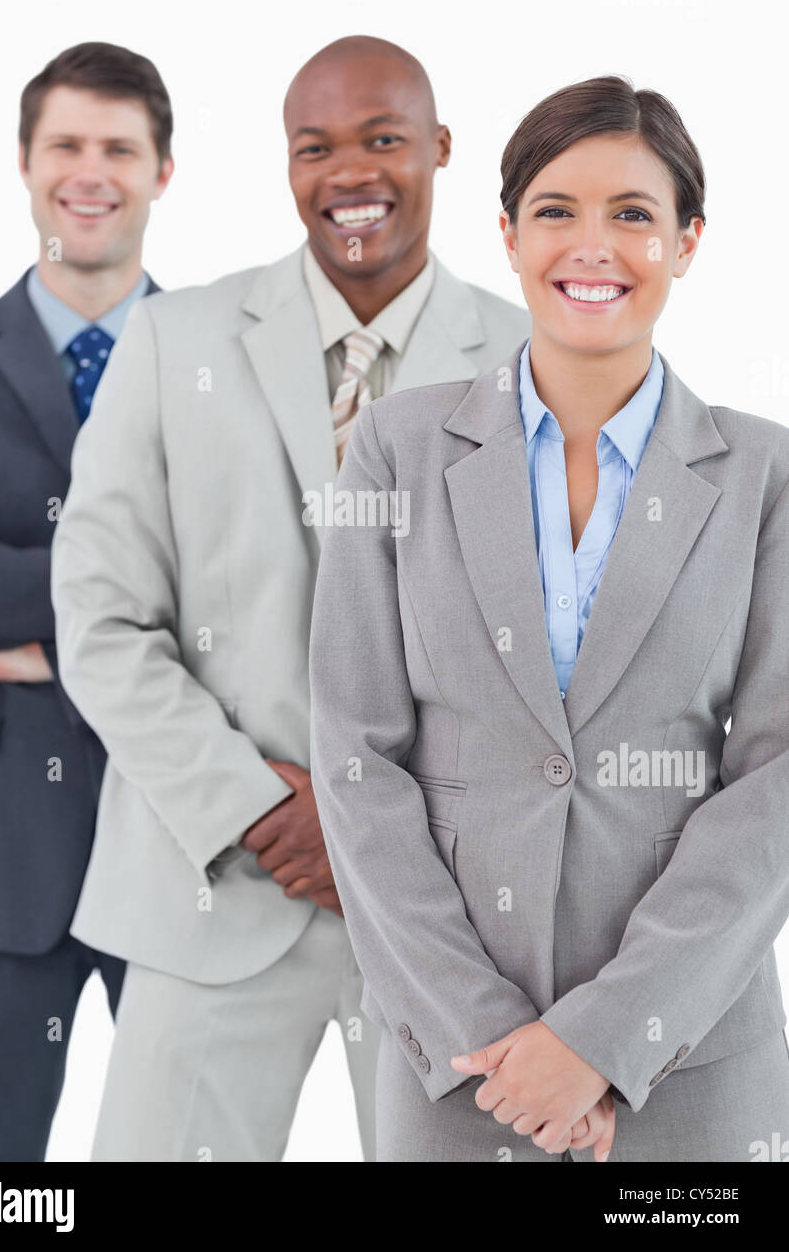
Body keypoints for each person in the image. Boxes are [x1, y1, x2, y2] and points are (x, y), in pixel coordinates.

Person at [50, 34, 530, 1162]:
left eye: (382, 139)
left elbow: (560, 650)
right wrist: (258, 809)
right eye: (315, 148)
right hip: (213, 884)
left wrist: (372, 827)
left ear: (440, 148)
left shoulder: (529, 358)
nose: (348, 172)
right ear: (286, 165)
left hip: (454, 918)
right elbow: (102, 620)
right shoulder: (173, 340)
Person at [308, 73, 789, 1163]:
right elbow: (354, 756)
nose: (593, 246)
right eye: (556, 210)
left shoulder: (763, 475)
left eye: (633, 213)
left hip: (691, 1068)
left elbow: (773, 786)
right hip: (458, 1069)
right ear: (508, 235)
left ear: (686, 241)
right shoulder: (396, 449)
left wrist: (605, 1039)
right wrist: (487, 1034)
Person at [0, 41, 172, 1160]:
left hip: (184, 841)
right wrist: (139, 606)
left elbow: (254, 592)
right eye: (66, 144)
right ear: (24, 162)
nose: (91, 171)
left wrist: (50, 639)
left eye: (119, 147)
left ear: (162, 170)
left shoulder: (227, 364)